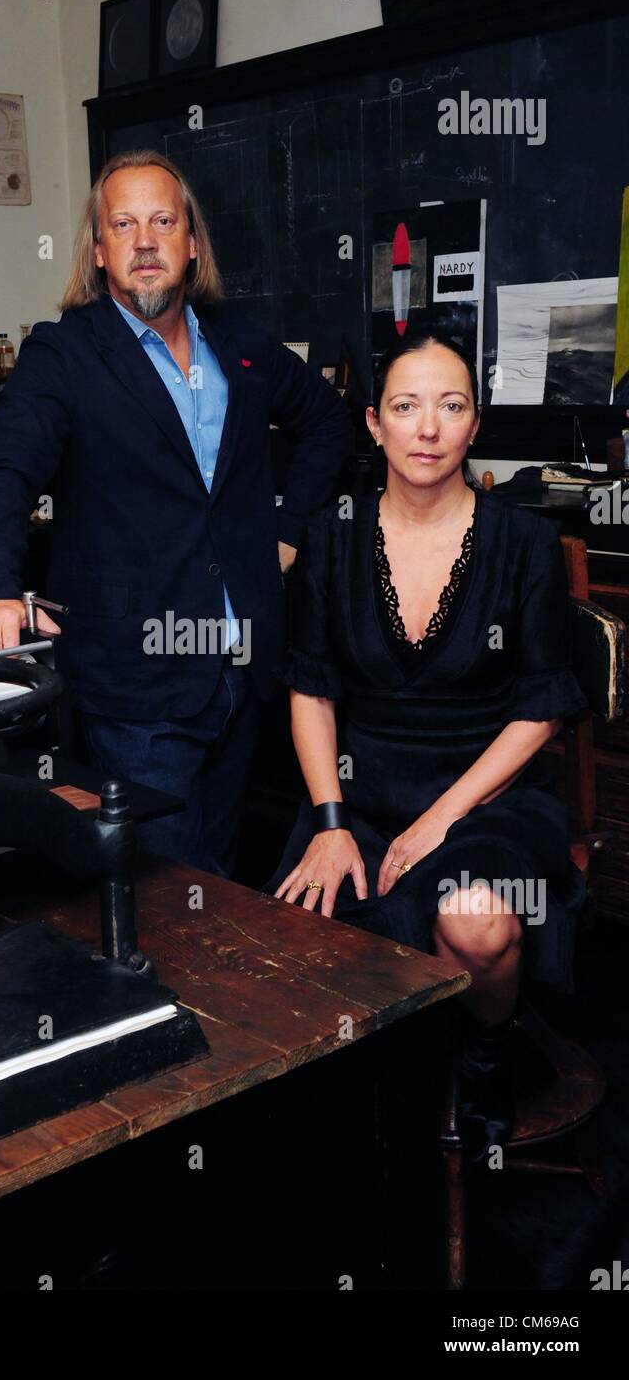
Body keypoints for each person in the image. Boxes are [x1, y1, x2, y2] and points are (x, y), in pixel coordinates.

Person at [0, 149, 353, 876]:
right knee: (165, 895)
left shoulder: (242, 347)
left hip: (243, 670)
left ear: (191, 243)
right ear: (99, 249)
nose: (145, 241)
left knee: (225, 876)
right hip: (137, 685)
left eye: (163, 221)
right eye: (124, 224)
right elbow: (4, 471)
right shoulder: (63, 356)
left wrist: (290, 533)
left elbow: (328, 422)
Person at [270, 327, 587, 1158]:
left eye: (450, 407)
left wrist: (442, 820)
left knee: (479, 922)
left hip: (489, 793)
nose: (428, 429)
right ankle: (365, 1102)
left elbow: (542, 710)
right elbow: (310, 689)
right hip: (359, 793)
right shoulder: (332, 540)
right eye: (406, 408)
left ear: (474, 424)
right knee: (298, 932)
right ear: (374, 425)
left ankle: (485, 1055)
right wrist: (331, 819)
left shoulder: (524, 544)